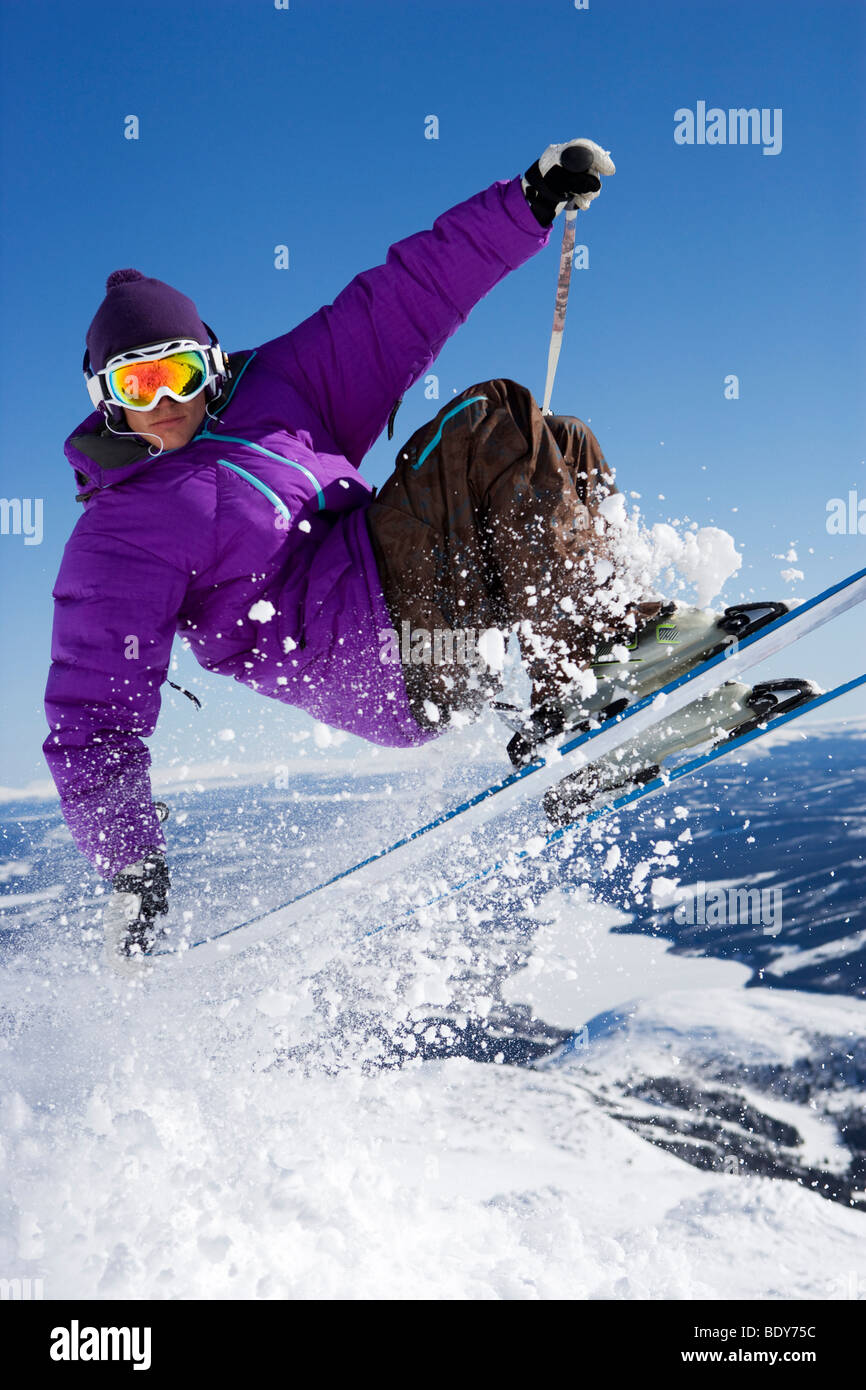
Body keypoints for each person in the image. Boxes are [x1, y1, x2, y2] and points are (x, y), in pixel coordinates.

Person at [43, 137, 733, 967]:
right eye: (134, 388)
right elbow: (93, 709)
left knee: (559, 444)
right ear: (104, 400)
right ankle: (596, 664)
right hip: (368, 659)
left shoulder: (282, 387)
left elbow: (406, 297)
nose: (163, 407)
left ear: (213, 362)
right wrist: (130, 865)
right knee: (490, 421)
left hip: (430, 619)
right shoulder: (121, 529)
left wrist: (528, 201)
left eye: (179, 375)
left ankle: (594, 683)